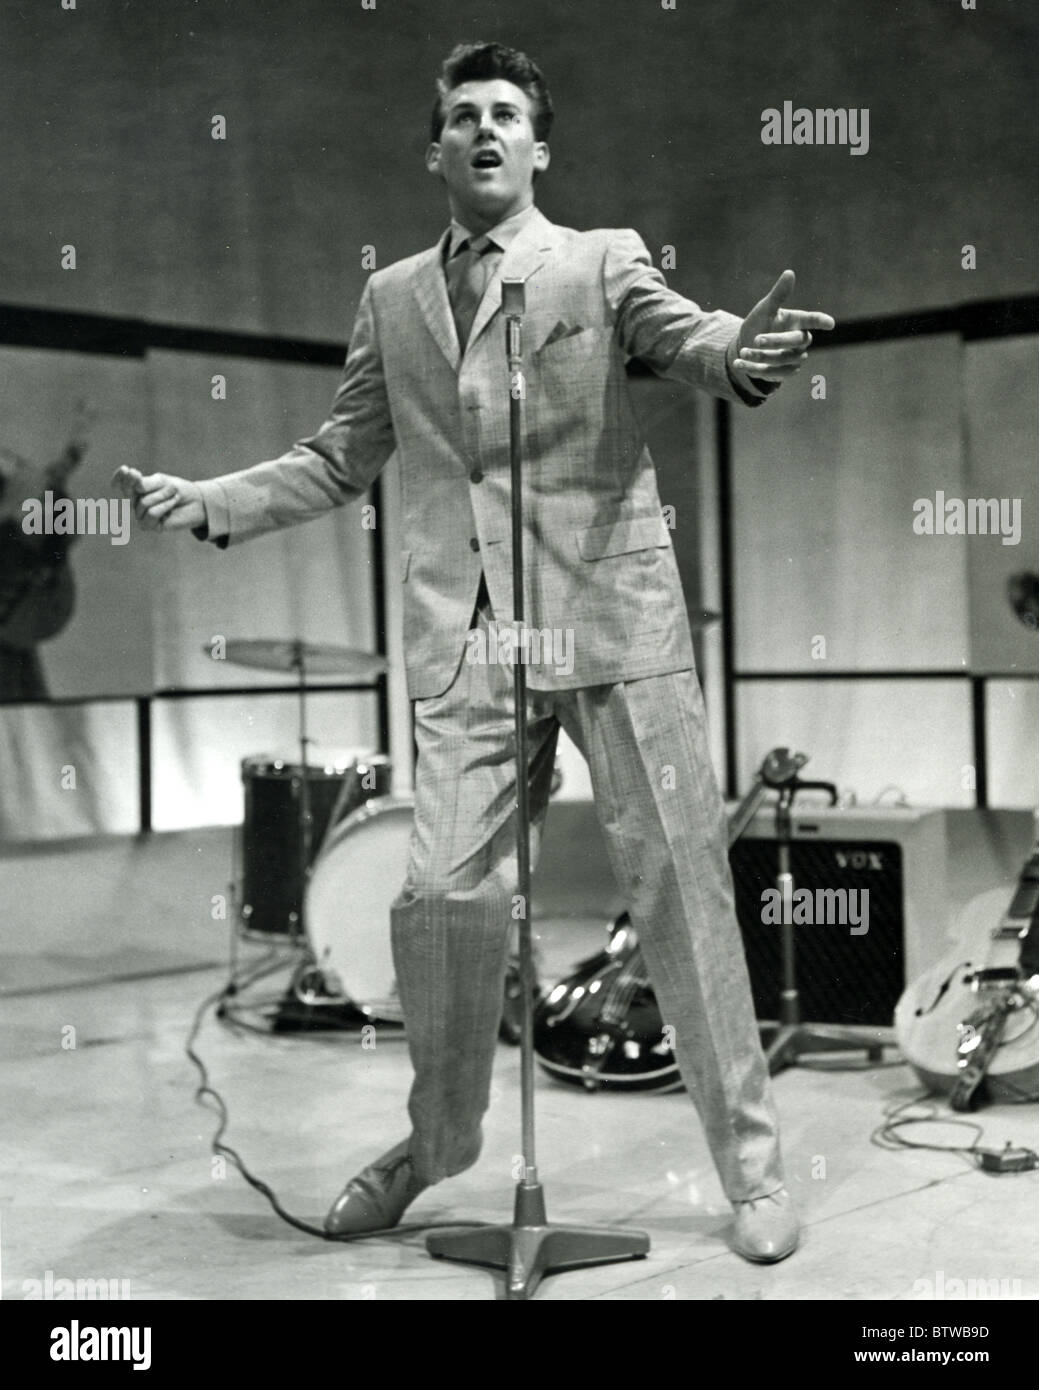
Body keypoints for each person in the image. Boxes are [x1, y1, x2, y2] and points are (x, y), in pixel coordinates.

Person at [117, 41, 835, 1264]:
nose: (486, 130)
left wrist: (739, 352)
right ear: (435, 149)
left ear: (538, 146)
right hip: (468, 642)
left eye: (507, 114)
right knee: (444, 899)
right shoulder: (392, 297)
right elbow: (341, 453)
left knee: (678, 889)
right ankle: (437, 1146)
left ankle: (753, 1168)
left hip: (615, 627)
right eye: (464, 115)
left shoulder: (600, 260)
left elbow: (687, 334)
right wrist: (216, 498)